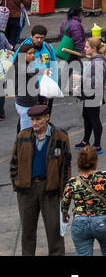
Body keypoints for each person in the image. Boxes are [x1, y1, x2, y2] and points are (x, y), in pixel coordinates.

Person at [10, 104, 71, 255]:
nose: (35, 123)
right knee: (27, 232)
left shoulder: (60, 137)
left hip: (49, 189)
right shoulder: (22, 137)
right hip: (26, 191)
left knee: (54, 230)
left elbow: (66, 167)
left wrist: (64, 193)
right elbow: (14, 163)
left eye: (38, 119)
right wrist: (17, 185)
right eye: (32, 120)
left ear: (47, 117)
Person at [61, 146, 106, 256]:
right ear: (96, 161)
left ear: (79, 162)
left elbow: (65, 202)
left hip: (80, 223)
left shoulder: (72, 182)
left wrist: (64, 215)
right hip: (104, 222)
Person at [70, 37, 106, 152]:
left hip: (93, 95)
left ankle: (97, 145)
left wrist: (80, 79)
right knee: (87, 118)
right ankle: (85, 141)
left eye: (87, 47)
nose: (84, 49)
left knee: (94, 119)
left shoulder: (98, 62)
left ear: (93, 48)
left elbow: (96, 82)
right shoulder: (95, 60)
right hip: (88, 94)